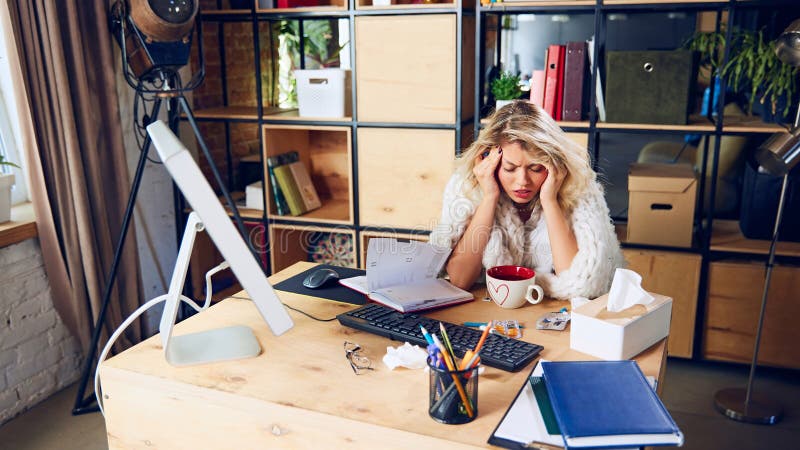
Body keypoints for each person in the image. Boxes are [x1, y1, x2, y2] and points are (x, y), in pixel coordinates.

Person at [429, 101, 624, 300]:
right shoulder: (468, 186)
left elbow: (582, 283)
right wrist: (489, 197)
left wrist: (550, 201)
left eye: (536, 168)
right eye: (510, 168)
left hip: (560, 315)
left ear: (554, 164)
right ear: (489, 159)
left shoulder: (580, 188)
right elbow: (459, 280)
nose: (522, 181)